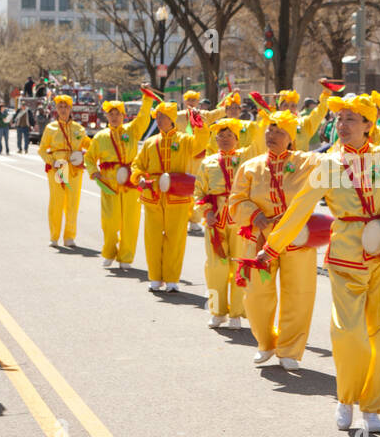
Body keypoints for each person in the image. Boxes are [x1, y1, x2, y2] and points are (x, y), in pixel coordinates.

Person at [258, 68, 380, 431]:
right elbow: (301, 210)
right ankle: (346, 398)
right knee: (348, 334)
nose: (342, 125)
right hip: (345, 259)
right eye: (339, 119)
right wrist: (273, 246)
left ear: (368, 125)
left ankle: (372, 408)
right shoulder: (327, 164)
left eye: (351, 119)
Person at [229, 112, 324, 368]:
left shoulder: (307, 162)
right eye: (270, 130)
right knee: (257, 295)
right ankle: (265, 343)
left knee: (299, 294)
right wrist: (255, 215)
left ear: (291, 138)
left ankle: (290, 350)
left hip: (298, 242)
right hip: (259, 241)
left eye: (280, 131)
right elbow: (235, 200)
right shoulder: (250, 166)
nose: (272, 135)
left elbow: (333, 163)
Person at [193, 115, 268, 328]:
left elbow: (259, 142)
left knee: (240, 265)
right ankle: (217, 311)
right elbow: (198, 191)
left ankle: (237, 313)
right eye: (221, 136)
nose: (225, 139)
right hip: (216, 220)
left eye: (229, 135)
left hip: (241, 220)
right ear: (215, 140)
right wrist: (206, 211)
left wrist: (263, 117)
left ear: (237, 139)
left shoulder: (246, 157)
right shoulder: (207, 163)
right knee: (215, 268)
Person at [130, 102, 211, 291]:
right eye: (157, 117)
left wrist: (198, 122)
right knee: (153, 238)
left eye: (162, 117)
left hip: (178, 195)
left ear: (172, 119)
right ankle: (155, 278)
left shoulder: (184, 140)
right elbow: (137, 164)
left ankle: (172, 279)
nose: (158, 120)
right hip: (153, 196)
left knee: (175, 238)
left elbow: (201, 142)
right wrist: (140, 177)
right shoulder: (150, 142)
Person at [86, 88, 156, 268]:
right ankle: (109, 252)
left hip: (130, 183)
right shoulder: (101, 137)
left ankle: (126, 257)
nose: (115, 117)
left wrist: (147, 99)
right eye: (111, 114)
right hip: (109, 184)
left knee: (130, 222)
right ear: (107, 116)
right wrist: (94, 171)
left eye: (118, 114)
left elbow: (143, 119)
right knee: (109, 222)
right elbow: (89, 157)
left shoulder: (131, 131)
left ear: (124, 116)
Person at [37, 94, 91, 246]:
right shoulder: (50, 128)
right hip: (57, 169)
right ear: (56, 109)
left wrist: (91, 153)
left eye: (65, 107)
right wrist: (52, 162)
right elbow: (41, 150)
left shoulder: (78, 128)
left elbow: (89, 145)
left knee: (73, 203)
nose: (63, 110)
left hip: (74, 170)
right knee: (56, 202)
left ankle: (69, 237)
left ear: (70, 108)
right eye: (60, 107)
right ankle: (54, 236)